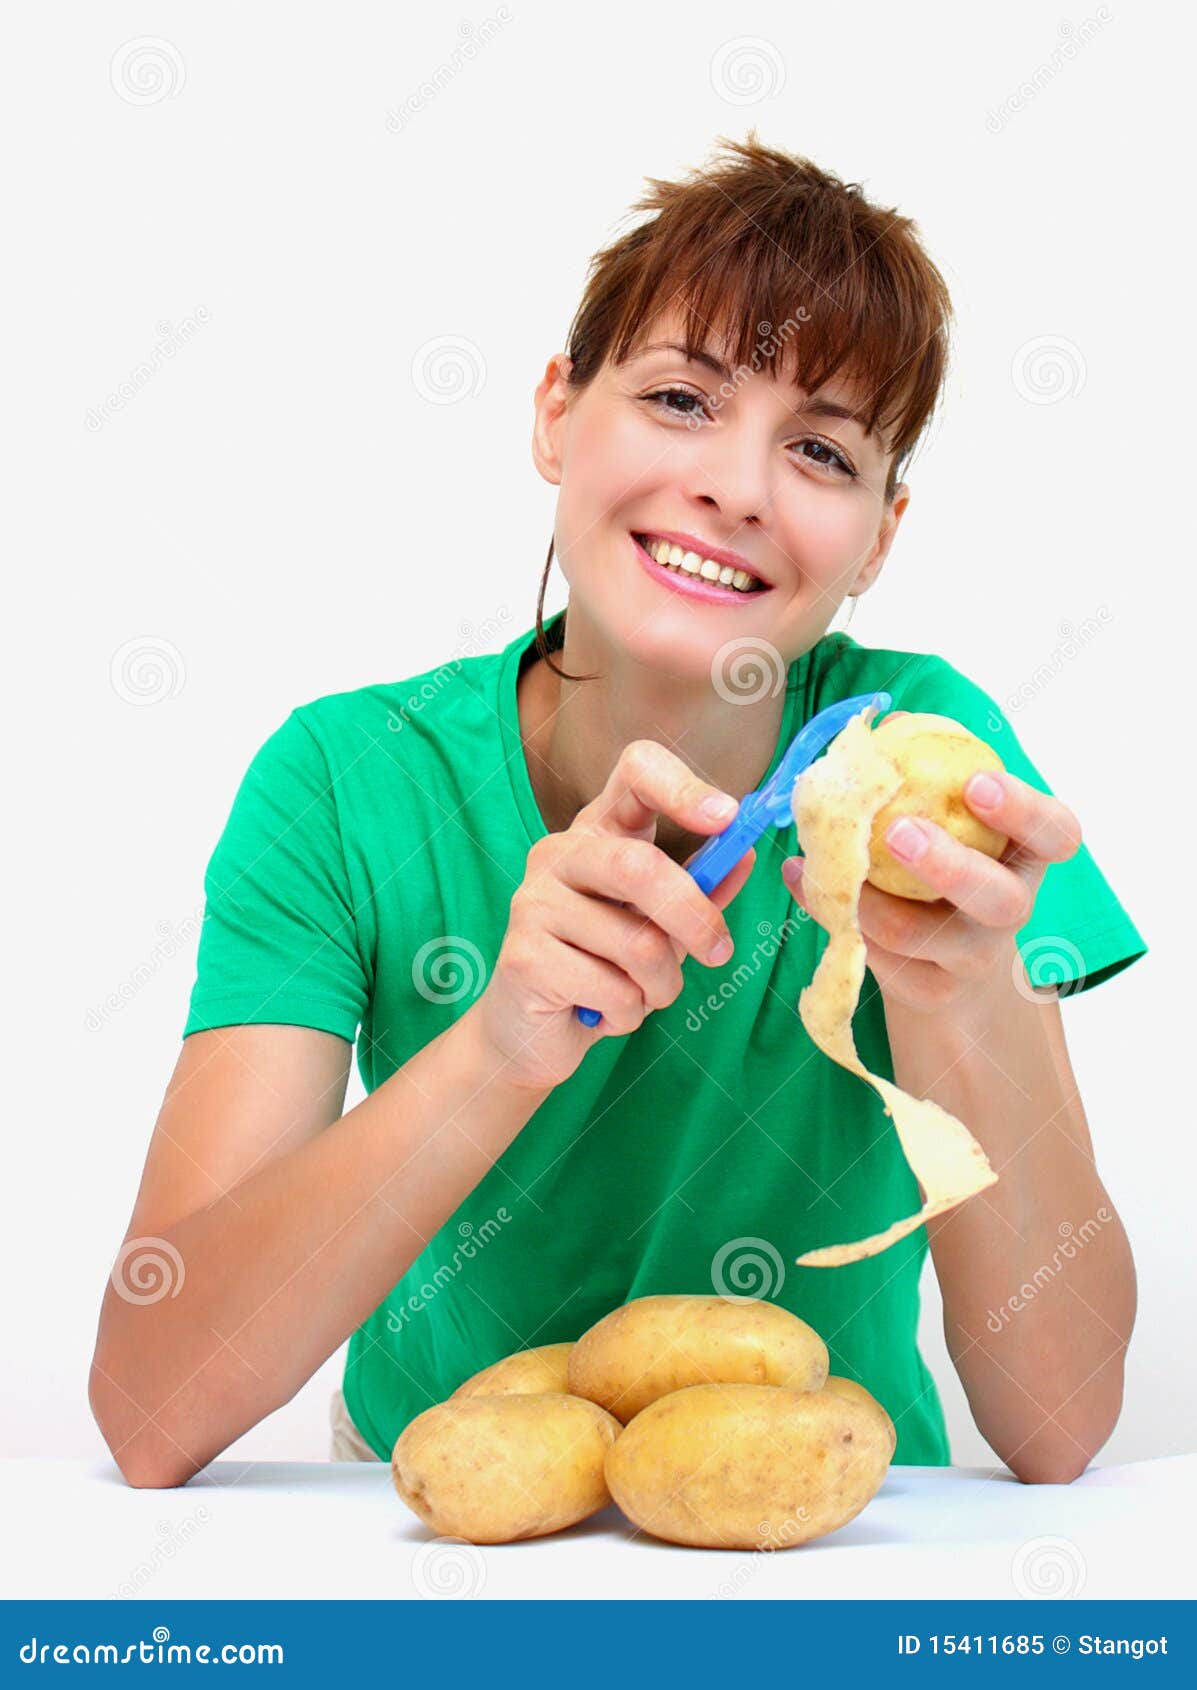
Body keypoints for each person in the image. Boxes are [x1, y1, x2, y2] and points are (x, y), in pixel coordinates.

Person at [90, 134, 1143, 1489]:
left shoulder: (924, 753)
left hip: (822, 1513)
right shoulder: (345, 778)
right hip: (433, 1509)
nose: (737, 487)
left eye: (819, 450)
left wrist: (962, 998)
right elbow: (145, 1405)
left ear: (879, 535)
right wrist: (497, 1048)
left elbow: (1059, 1423)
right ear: (553, 411)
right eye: (681, 399)